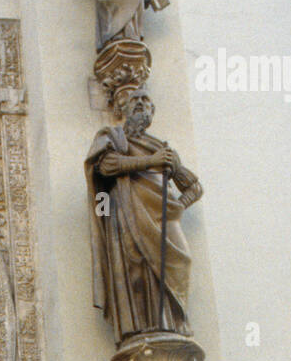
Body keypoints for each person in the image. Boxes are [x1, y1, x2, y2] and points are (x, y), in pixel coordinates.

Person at [84, 87, 202, 342]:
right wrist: (151, 161)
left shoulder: (163, 149)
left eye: (146, 101)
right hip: (127, 214)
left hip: (164, 216)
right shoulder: (112, 138)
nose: (140, 104)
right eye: (134, 100)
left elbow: (194, 187)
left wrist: (178, 206)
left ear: (152, 112)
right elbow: (107, 165)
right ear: (124, 109)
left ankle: (171, 324)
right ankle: (141, 328)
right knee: (136, 269)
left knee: (180, 261)